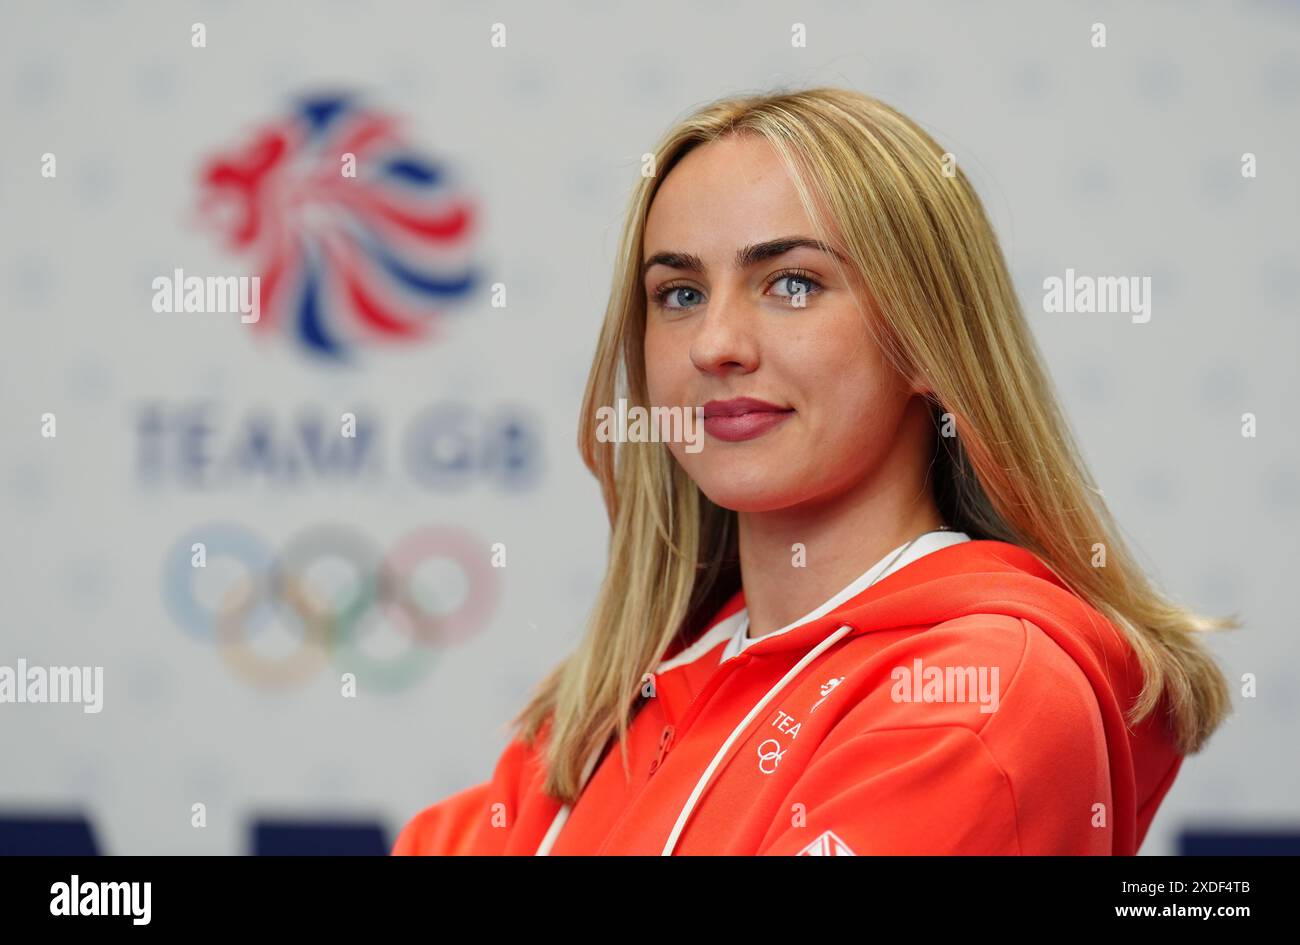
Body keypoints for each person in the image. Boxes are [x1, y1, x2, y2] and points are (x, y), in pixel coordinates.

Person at [392, 87, 1233, 855]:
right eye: (679, 293)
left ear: (927, 342)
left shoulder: (985, 689)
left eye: (791, 283)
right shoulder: (618, 697)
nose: (716, 343)